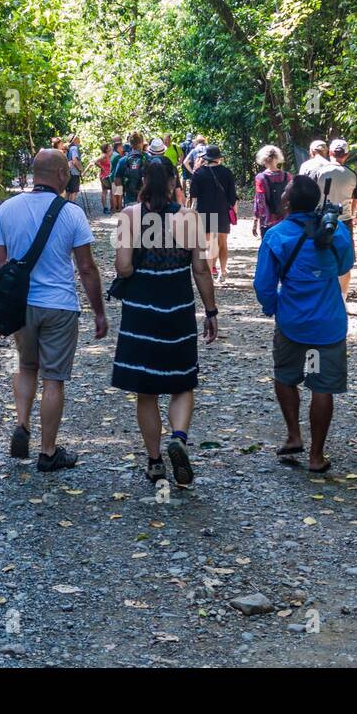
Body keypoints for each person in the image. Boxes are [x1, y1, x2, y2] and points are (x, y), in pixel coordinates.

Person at [0, 149, 107, 472]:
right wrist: (99, 312)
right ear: (59, 175)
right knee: (53, 378)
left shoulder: (7, 209)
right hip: (59, 305)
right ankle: (48, 452)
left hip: (19, 305)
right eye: (66, 172)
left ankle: (22, 423)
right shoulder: (71, 213)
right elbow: (86, 268)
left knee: (26, 366)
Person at [112, 157, 218, 486]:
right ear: (175, 182)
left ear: (143, 181)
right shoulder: (189, 218)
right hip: (178, 309)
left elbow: (123, 268)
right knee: (181, 383)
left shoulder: (129, 215)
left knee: (146, 390)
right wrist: (211, 311)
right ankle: (179, 438)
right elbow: (201, 269)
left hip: (141, 312)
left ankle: (155, 461)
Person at [253, 175, 353, 474]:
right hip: (329, 322)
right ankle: (316, 456)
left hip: (292, 321)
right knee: (323, 386)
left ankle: (294, 435)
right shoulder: (338, 232)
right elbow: (345, 266)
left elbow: (263, 284)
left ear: (286, 202)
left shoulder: (277, 235)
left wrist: (273, 308)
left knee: (285, 376)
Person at [315, 139, 357, 298]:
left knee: (321, 257)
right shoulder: (352, 175)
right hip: (344, 221)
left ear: (329, 153)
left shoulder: (319, 172)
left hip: (321, 220)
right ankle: (342, 298)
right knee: (344, 261)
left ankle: (324, 295)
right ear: (347, 155)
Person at [189, 144, 237, 282]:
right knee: (222, 243)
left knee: (208, 244)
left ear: (206, 158)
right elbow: (232, 197)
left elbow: (194, 194)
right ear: (218, 158)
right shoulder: (227, 172)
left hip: (205, 211)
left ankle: (209, 273)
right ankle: (223, 271)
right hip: (222, 211)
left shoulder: (199, 173)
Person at [253, 144, 290, 238]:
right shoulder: (287, 176)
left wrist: (256, 220)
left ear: (263, 159)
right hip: (285, 219)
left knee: (268, 247)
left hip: (268, 221)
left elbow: (260, 201)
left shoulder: (261, 178)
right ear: (277, 157)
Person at [114, 133, 148, 205]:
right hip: (146, 200)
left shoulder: (123, 160)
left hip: (129, 199)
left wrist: (121, 196)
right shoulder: (148, 158)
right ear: (142, 143)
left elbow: (117, 180)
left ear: (130, 144)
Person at [64, 135, 83, 201]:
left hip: (68, 172)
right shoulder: (74, 148)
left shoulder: (67, 148)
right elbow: (75, 161)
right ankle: (72, 208)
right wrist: (80, 169)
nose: (79, 140)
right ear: (74, 140)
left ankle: (65, 208)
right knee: (74, 192)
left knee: (68, 192)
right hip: (74, 173)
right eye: (78, 138)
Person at [109, 142, 126, 212]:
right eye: (121, 147)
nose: (123, 149)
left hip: (112, 176)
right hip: (117, 176)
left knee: (114, 193)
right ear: (118, 148)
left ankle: (114, 208)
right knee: (119, 193)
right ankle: (119, 208)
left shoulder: (113, 154)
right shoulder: (118, 156)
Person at [96, 142, 113, 215]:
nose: (110, 147)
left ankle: (109, 207)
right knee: (105, 192)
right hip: (104, 176)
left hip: (106, 175)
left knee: (106, 191)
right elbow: (96, 162)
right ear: (106, 149)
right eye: (109, 146)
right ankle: (106, 208)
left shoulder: (108, 155)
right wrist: (102, 168)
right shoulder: (104, 155)